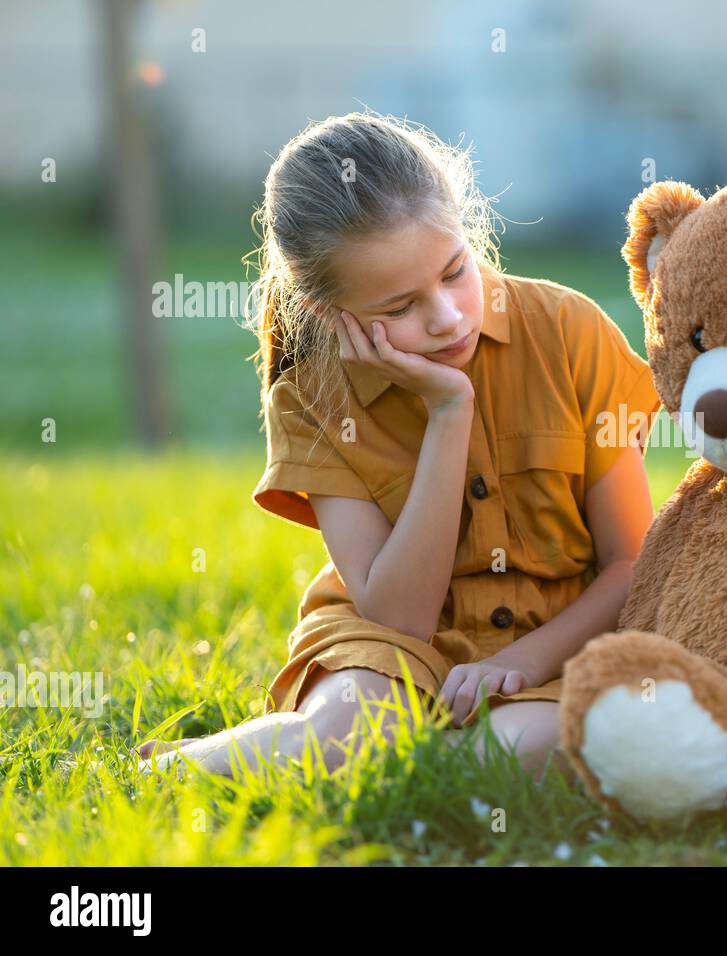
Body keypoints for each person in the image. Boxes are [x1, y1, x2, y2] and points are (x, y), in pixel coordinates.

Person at [135, 111, 660, 782]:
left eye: (453, 272)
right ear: (331, 313)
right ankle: (173, 772)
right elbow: (400, 615)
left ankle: (393, 767)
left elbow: (630, 565)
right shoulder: (311, 395)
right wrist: (449, 412)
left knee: (546, 743)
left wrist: (522, 662)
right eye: (400, 308)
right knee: (352, 729)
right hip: (389, 645)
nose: (445, 317)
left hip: (560, 639)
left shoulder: (570, 331)